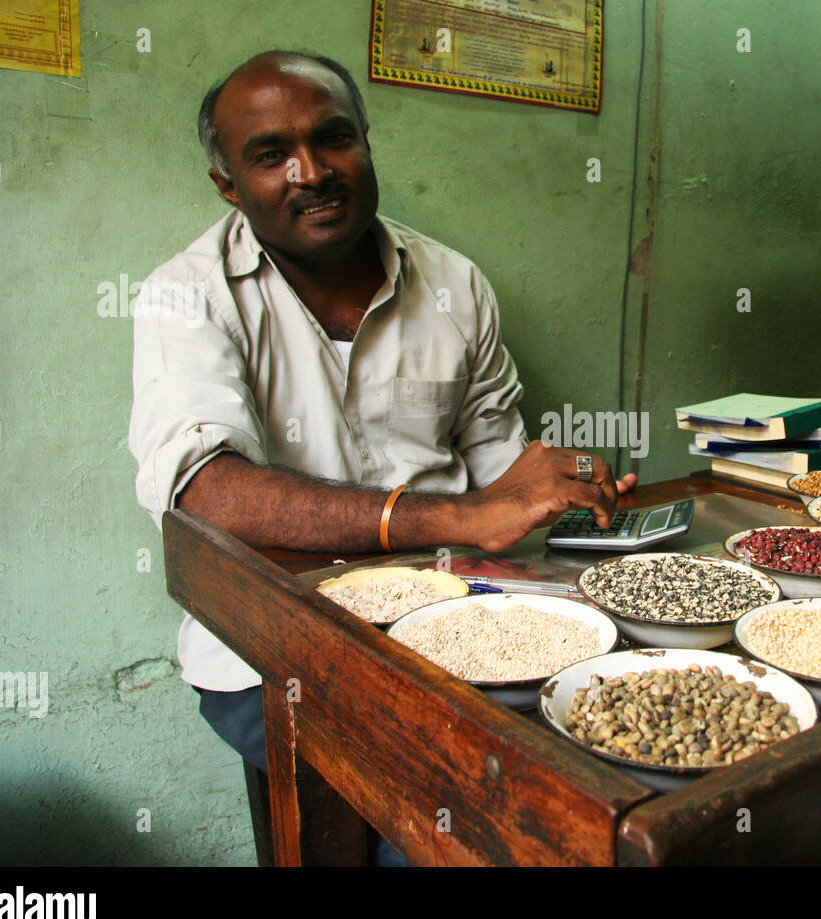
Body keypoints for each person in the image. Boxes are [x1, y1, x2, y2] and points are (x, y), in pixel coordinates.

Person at [127, 51, 636, 835]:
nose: (311, 171)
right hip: (272, 652)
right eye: (271, 155)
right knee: (464, 812)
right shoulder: (186, 295)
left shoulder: (454, 283)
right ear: (228, 186)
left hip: (462, 618)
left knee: (598, 758)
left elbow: (499, 466)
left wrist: (552, 480)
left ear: (366, 142)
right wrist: (458, 518)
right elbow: (208, 492)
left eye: (334, 139)